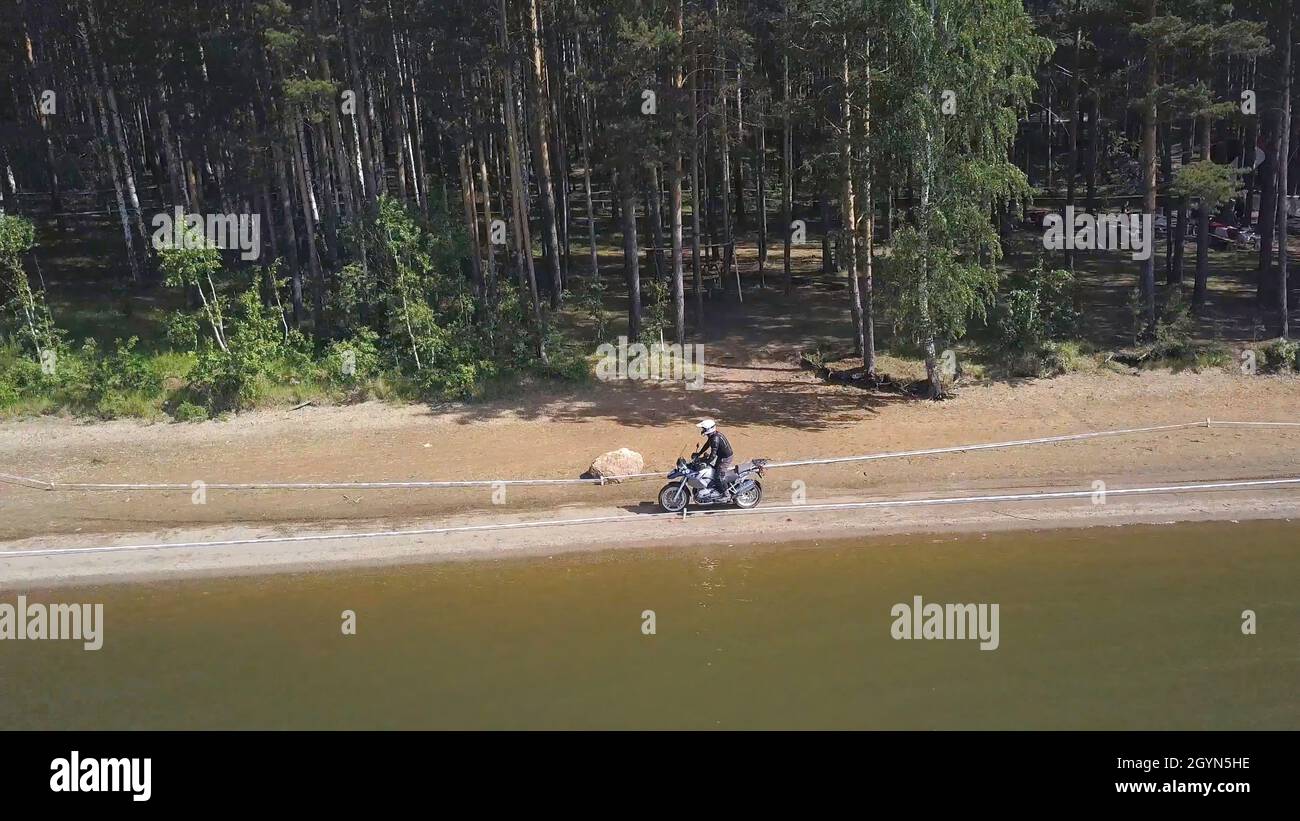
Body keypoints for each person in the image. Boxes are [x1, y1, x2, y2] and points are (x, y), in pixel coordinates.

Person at [693, 418, 733, 496]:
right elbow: (707, 445)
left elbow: (713, 456)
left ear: (709, 429)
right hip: (721, 456)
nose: (702, 430)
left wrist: (705, 462)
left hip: (725, 458)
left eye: (704, 429)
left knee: (718, 476)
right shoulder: (712, 436)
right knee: (713, 471)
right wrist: (699, 453)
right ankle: (715, 488)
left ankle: (726, 494)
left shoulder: (715, 439)